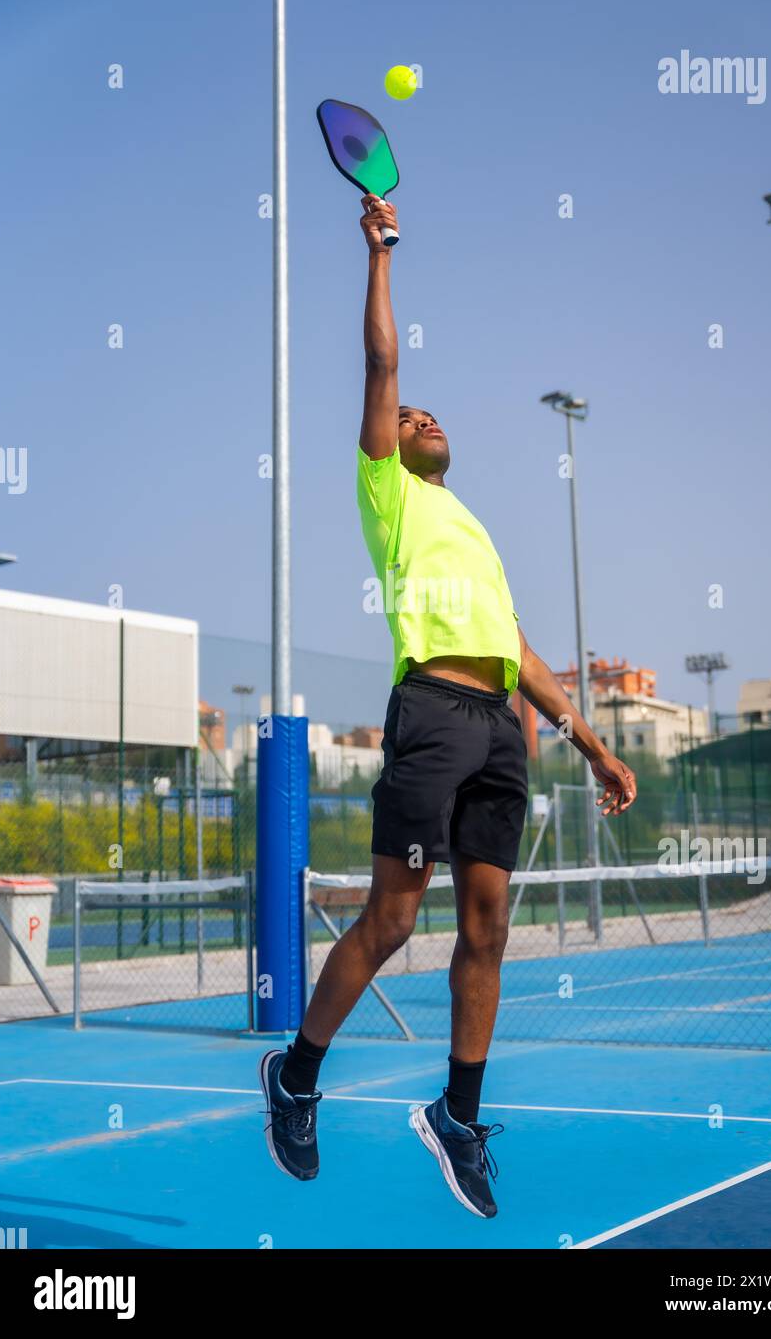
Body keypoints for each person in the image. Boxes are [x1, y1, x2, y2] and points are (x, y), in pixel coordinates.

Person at [259, 194, 637, 1218]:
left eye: (430, 415)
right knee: (393, 914)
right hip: (429, 711)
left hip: (498, 734)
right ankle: (296, 1076)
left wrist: (591, 741)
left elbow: (516, 651)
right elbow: (381, 366)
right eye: (408, 413)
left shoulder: (473, 528)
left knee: (488, 925)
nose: (418, 415)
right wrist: (380, 255)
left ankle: (455, 1116)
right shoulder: (388, 493)